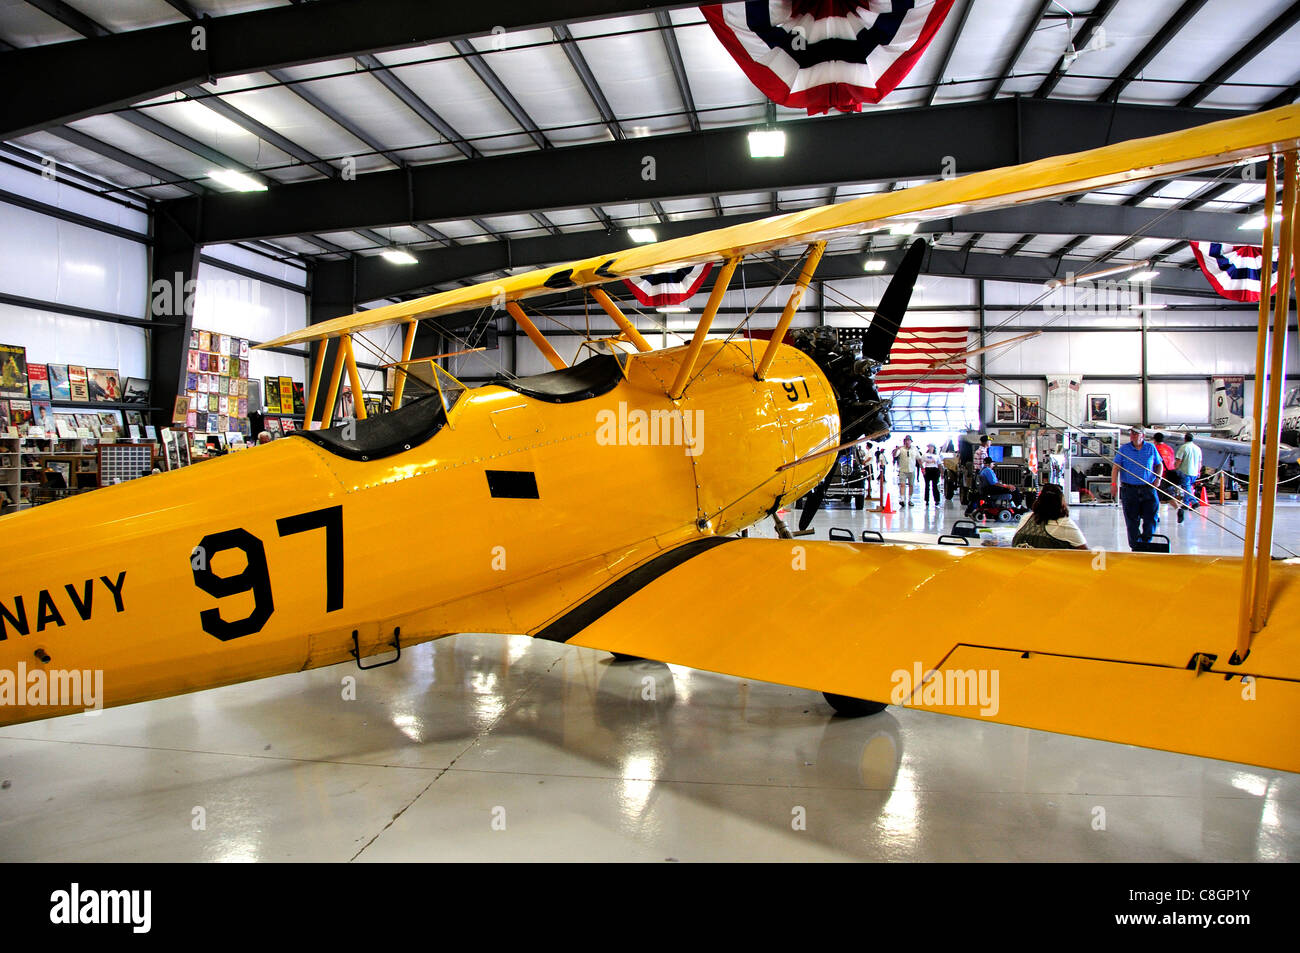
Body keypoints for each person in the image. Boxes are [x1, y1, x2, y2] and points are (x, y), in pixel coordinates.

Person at [1112, 426, 1163, 549]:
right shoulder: (1124, 449)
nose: (1133, 436)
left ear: (1143, 436)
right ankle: (1135, 545)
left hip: (1148, 489)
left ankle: (1146, 542)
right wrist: (1113, 484)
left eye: (1136, 434)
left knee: (1151, 517)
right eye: (1132, 433)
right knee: (1132, 520)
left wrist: (1158, 478)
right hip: (1130, 490)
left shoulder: (1150, 448)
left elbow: (1159, 464)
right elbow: (1115, 468)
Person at [1012, 483, 1088, 549]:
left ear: (1039, 501)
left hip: (1020, 563)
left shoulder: (1026, 518)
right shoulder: (1063, 524)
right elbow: (1085, 553)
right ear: (1061, 502)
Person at [1173, 432, 1203, 523]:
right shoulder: (1198, 448)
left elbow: (1179, 460)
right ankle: (1185, 504)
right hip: (1194, 472)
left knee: (1186, 487)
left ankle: (1194, 502)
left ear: (1185, 439)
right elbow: (1199, 462)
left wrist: (1175, 467)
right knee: (1189, 487)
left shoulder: (1183, 447)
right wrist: (1198, 471)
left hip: (1185, 471)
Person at [892, 436, 923, 506]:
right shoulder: (901, 449)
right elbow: (895, 455)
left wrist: (922, 468)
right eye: (906, 440)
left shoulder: (914, 449)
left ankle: (910, 499)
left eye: (909, 440)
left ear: (911, 441)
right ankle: (902, 499)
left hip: (911, 470)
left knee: (911, 485)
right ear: (904, 441)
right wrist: (896, 449)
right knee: (902, 485)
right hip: (902, 470)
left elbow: (919, 459)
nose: (907, 442)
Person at [1152, 432, 1177, 508]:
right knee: (1168, 494)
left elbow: (1154, 463)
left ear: (1154, 440)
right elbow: (1173, 460)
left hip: (1160, 475)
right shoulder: (1169, 448)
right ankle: (1178, 508)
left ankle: (1155, 514)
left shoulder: (1155, 449)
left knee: (1156, 495)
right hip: (1170, 474)